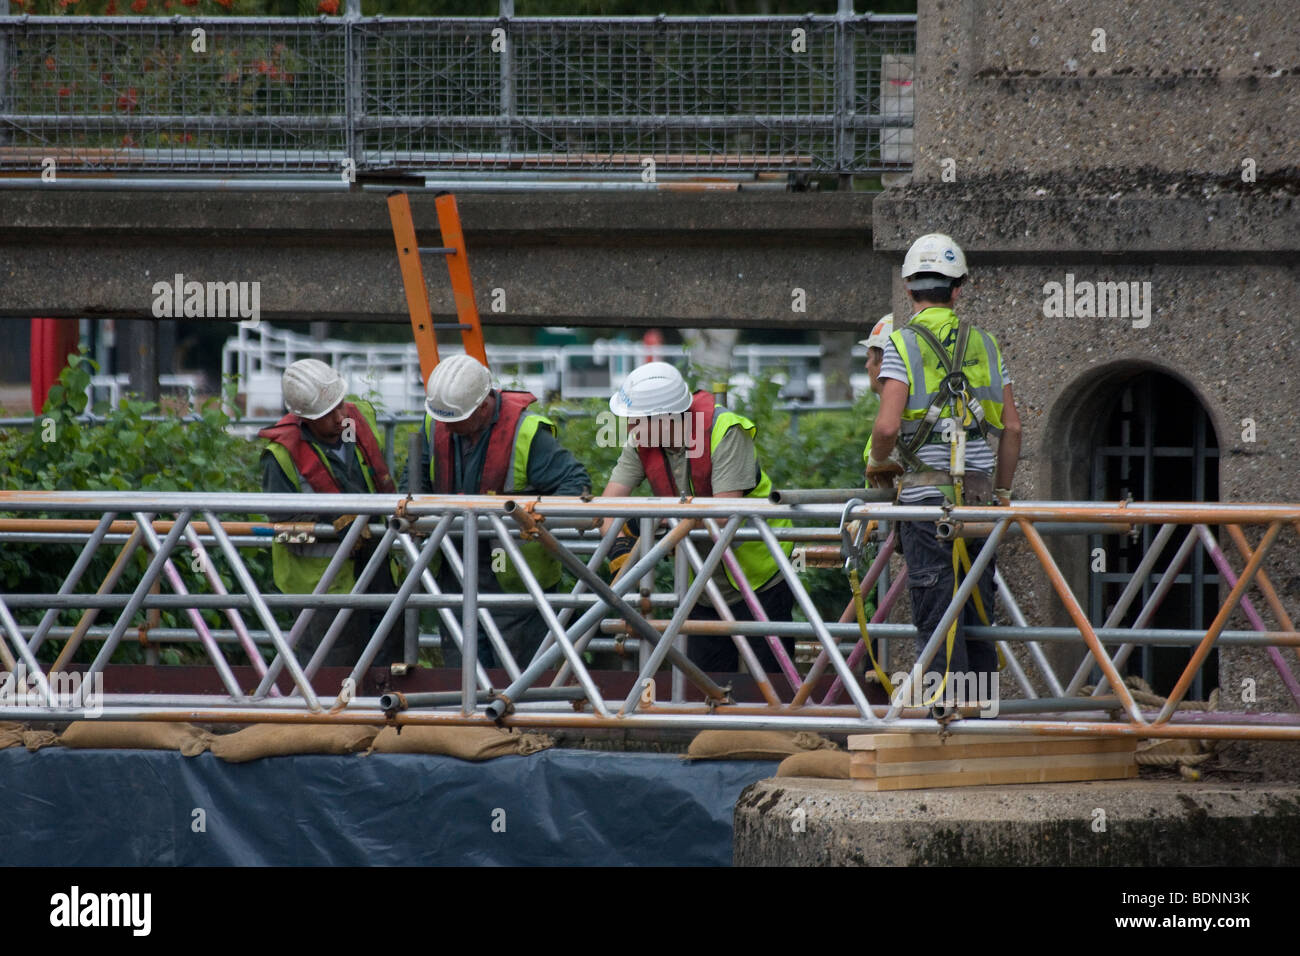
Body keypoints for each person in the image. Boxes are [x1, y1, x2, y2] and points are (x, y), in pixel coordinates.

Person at [865, 234, 1022, 713]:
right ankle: (980, 711)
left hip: (923, 501)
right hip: (975, 498)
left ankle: (942, 703)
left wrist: (878, 462)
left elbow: (888, 425)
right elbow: (1011, 427)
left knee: (935, 598)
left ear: (910, 290)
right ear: (958, 290)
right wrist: (1001, 493)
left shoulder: (901, 344)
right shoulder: (986, 344)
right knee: (977, 601)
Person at [598, 361, 795, 676]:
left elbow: (723, 518)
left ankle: (789, 725)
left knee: (773, 680)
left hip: (760, 577)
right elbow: (606, 511)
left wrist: (647, 524)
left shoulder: (726, 431)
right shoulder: (641, 441)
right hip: (703, 583)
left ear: (666, 418)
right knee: (707, 684)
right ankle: (713, 726)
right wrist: (621, 545)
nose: (630, 427)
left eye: (636, 420)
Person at [404, 354, 590, 669]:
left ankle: (523, 719)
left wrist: (523, 518)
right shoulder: (437, 422)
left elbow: (575, 486)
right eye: (442, 418)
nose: (446, 426)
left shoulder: (527, 433)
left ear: (482, 407)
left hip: (513, 574)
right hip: (455, 567)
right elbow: (411, 483)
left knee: (518, 676)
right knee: (462, 673)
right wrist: (416, 516)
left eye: (454, 419)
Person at [259, 358, 399, 668]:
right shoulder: (280, 457)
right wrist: (331, 524)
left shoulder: (357, 424)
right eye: (328, 413)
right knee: (328, 676)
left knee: (384, 666)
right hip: (321, 591)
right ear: (304, 418)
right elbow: (281, 528)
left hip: (376, 572)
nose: (339, 418)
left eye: (340, 406)